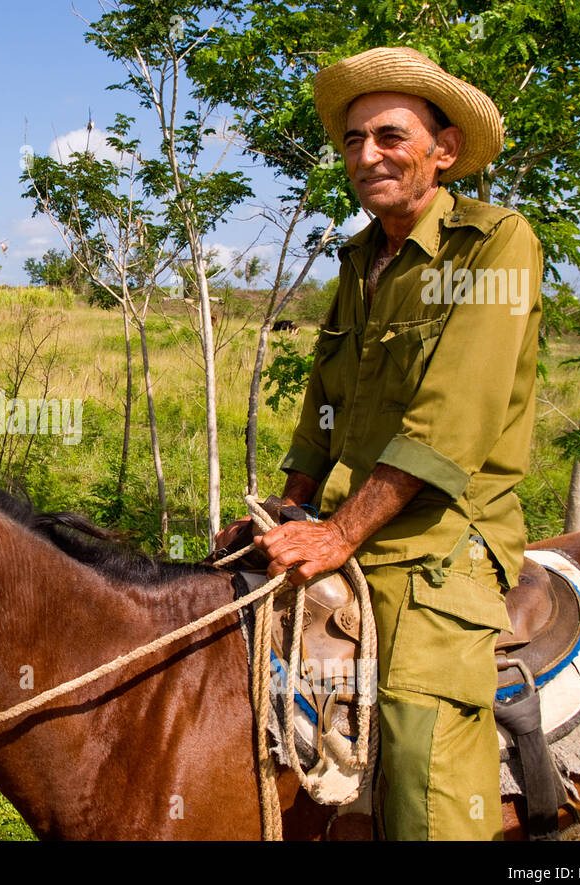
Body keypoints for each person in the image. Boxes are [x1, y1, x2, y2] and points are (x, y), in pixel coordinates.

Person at [216, 47, 543, 840]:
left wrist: (337, 532)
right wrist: (289, 505)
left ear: (445, 149)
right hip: (355, 523)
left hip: (442, 543)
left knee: (413, 744)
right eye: (354, 140)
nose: (367, 155)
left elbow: (449, 423)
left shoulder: (495, 246)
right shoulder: (360, 260)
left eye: (390, 136)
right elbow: (323, 404)